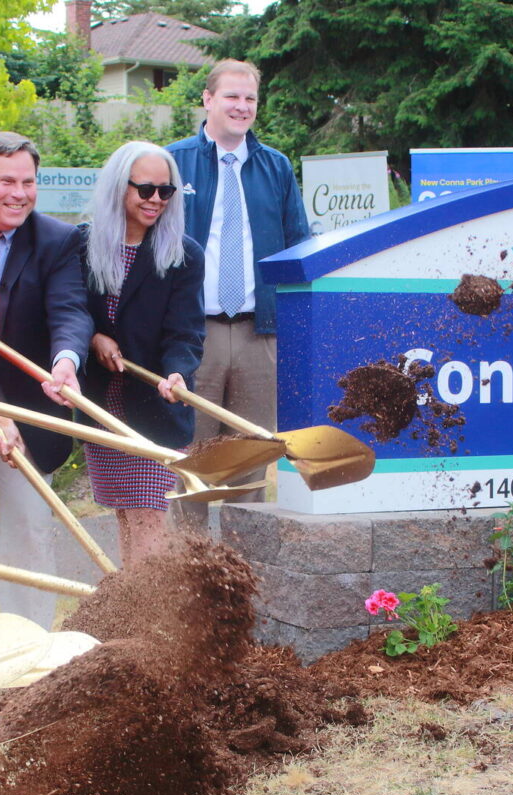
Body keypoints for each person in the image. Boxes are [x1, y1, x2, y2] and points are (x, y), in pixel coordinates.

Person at [0, 131, 92, 629]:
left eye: (29, 182)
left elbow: (70, 311)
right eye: (7, 181)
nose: (19, 193)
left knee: (30, 533)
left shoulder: (57, 239)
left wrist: (66, 359)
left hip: (28, 415)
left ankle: (28, 653)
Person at [166, 58, 309, 522]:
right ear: (208, 99)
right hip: (193, 337)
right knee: (192, 466)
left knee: (250, 465)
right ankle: (188, 585)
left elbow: (298, 248)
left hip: (258, 335)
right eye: (231, 96)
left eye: (250, 98)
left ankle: (243, 581)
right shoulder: (173, 163)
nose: (242, 106)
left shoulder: (276, 168)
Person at [77, 141, 205, 565]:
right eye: (145, 190)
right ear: (119, 187)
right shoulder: (83, 244)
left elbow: (185, 332)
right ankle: (134, 614)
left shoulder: (184, 255)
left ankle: (149, 619)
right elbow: (69, 311)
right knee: (126, 514)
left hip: (155, 407)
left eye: (165, 192)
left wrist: (178, 374)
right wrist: (94, 338)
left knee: (149, 513)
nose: (156, 200)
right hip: (103, 405)